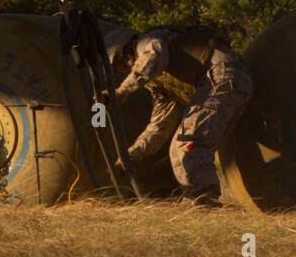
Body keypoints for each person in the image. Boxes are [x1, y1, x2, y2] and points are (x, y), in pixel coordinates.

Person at [104, 24, 252, 207]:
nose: (123, 72)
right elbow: (159, 128)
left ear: (126, 52)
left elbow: (154, 56)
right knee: (177, 148)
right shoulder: (161, 83)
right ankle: (195, 199)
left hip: (224, 75)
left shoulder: (147, 43)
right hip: (222, 81)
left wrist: (121, 92)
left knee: (191, 140)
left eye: (118, 66)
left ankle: (206, 201)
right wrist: (130, 156)